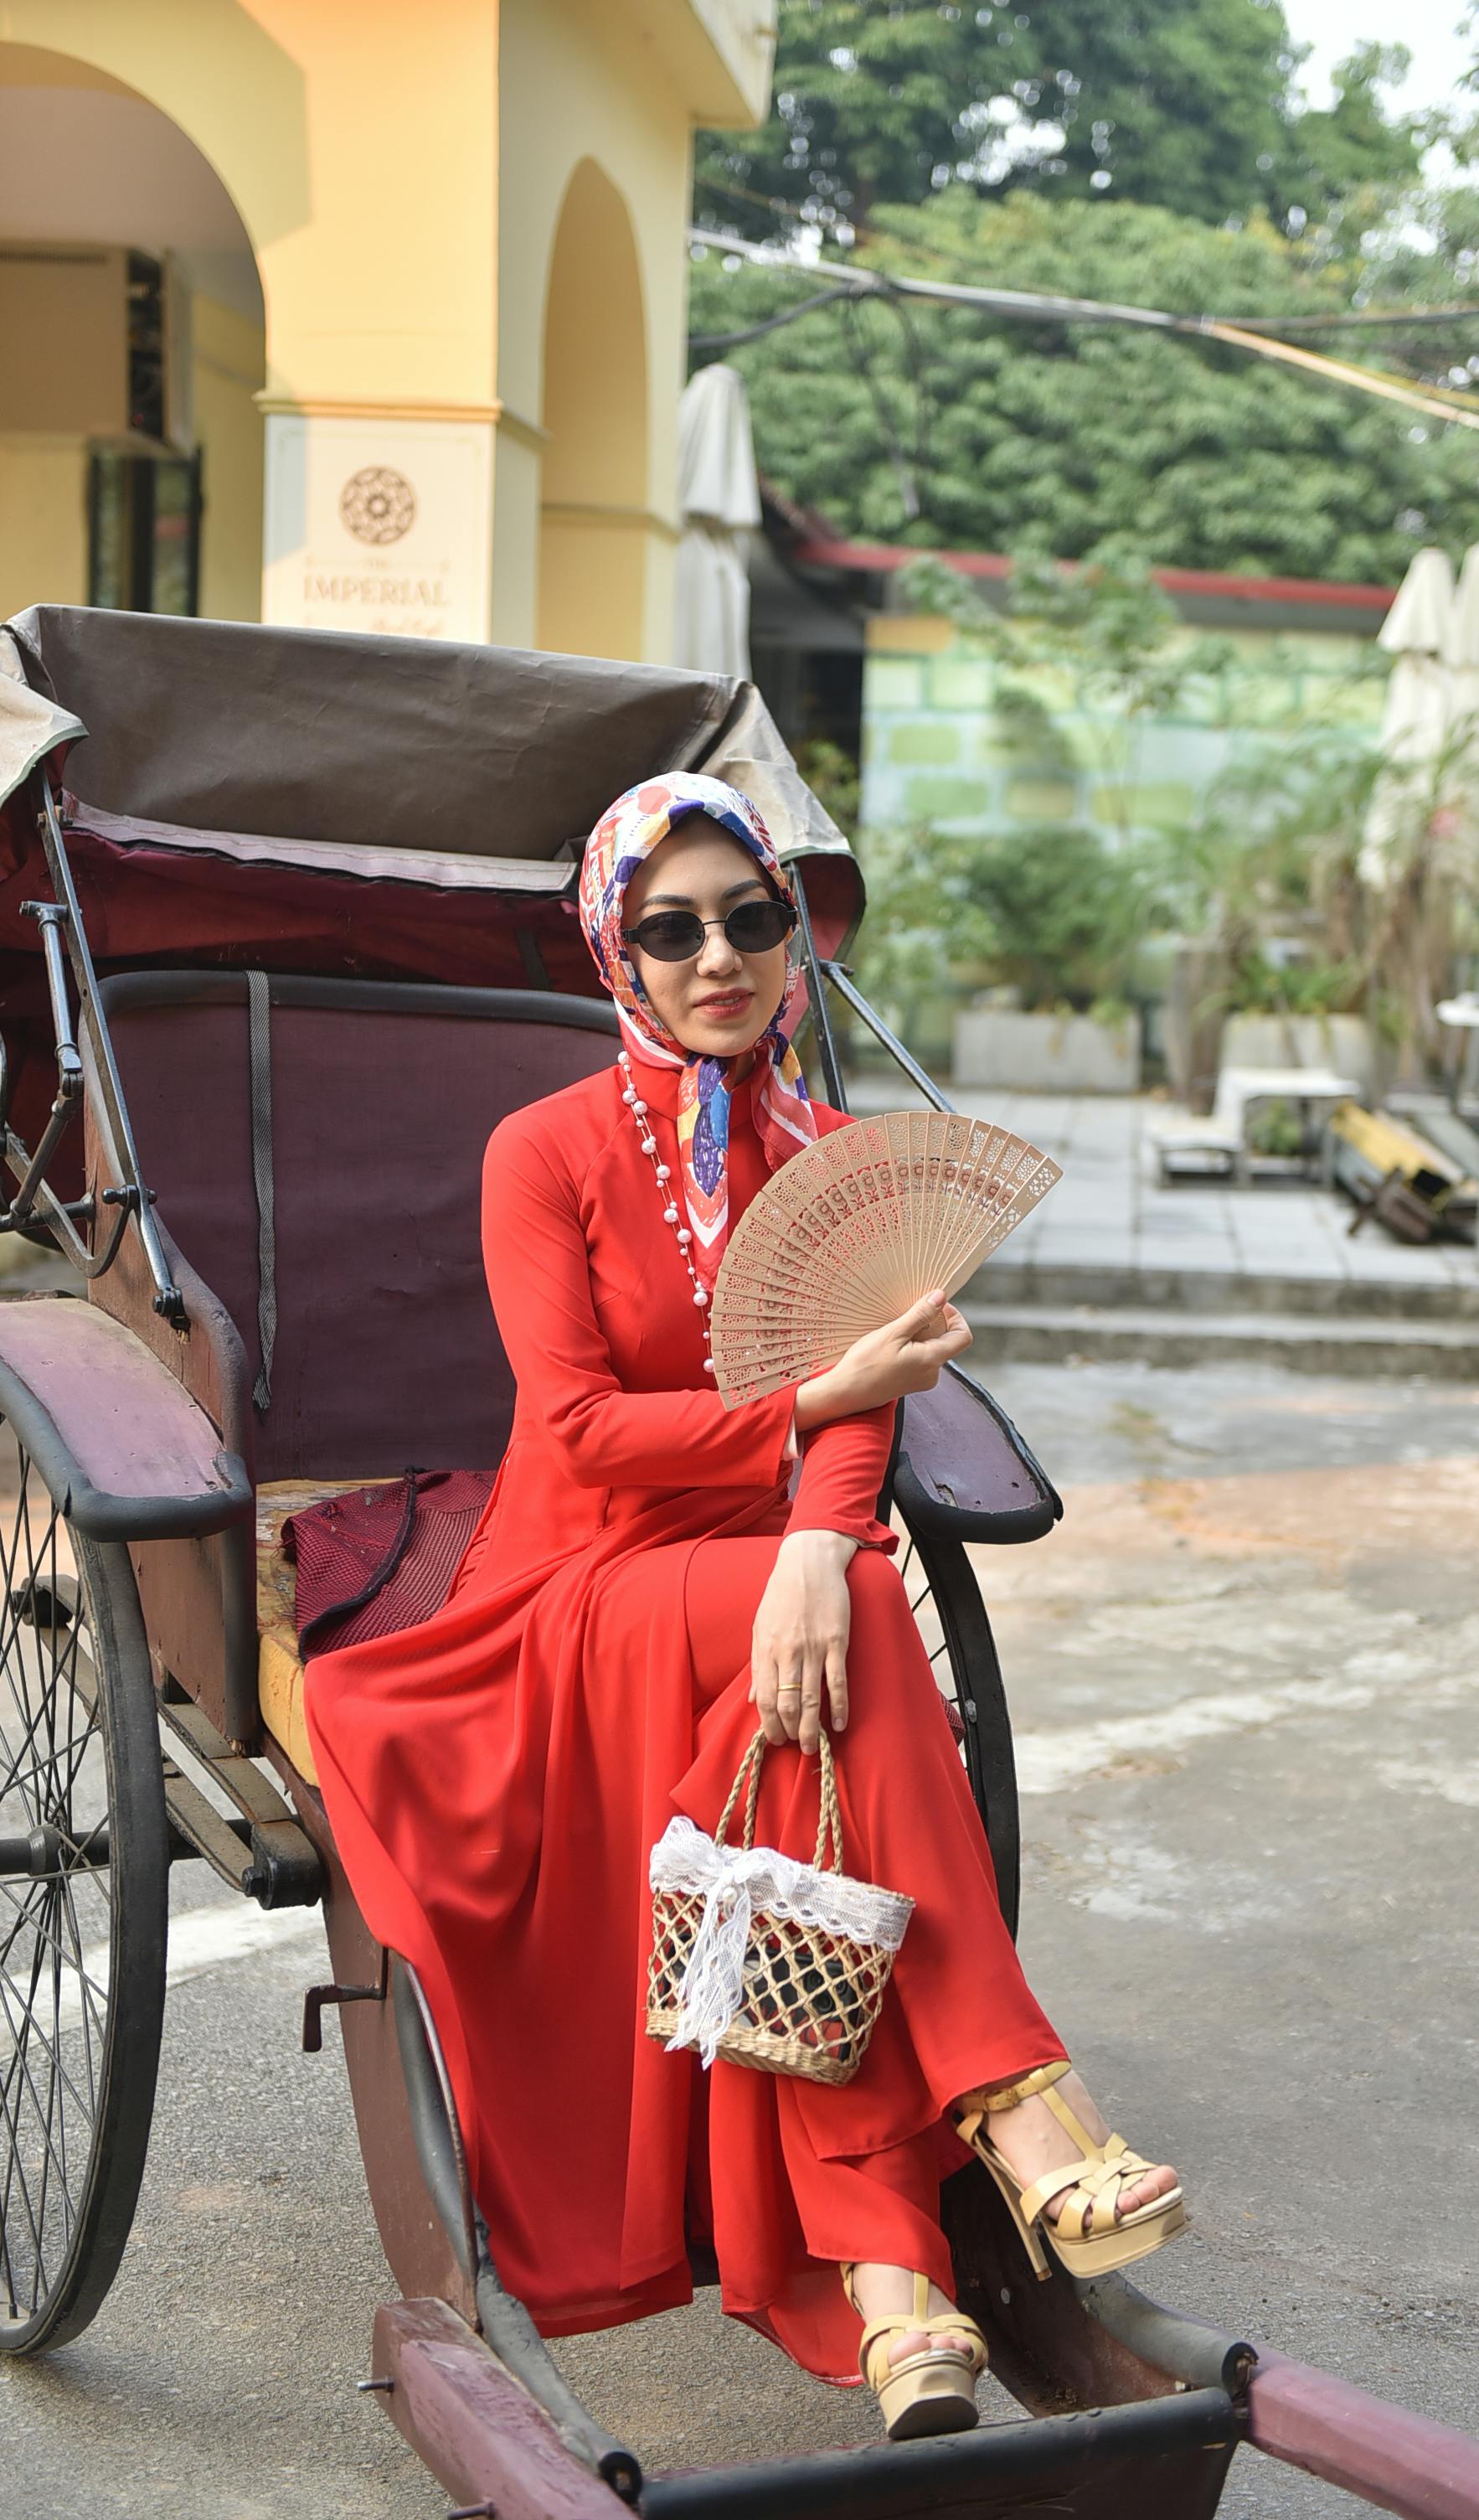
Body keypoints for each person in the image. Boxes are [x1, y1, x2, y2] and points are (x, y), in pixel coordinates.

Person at [306, 770, 1184, 2440]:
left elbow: (865, 1421)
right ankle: (1015, 2105)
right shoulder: (544, 1150)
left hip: (768, 1575)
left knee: (812, 1717)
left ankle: (891, 2281)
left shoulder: (836, 1157)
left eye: (749, 917)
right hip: (578, 1584)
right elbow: (577, 1429)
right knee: (865, 1631)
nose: (716, 956)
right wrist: (811, 1421)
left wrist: (812, 1548)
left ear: (793, 935)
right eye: (670, 929)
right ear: (614, 953)